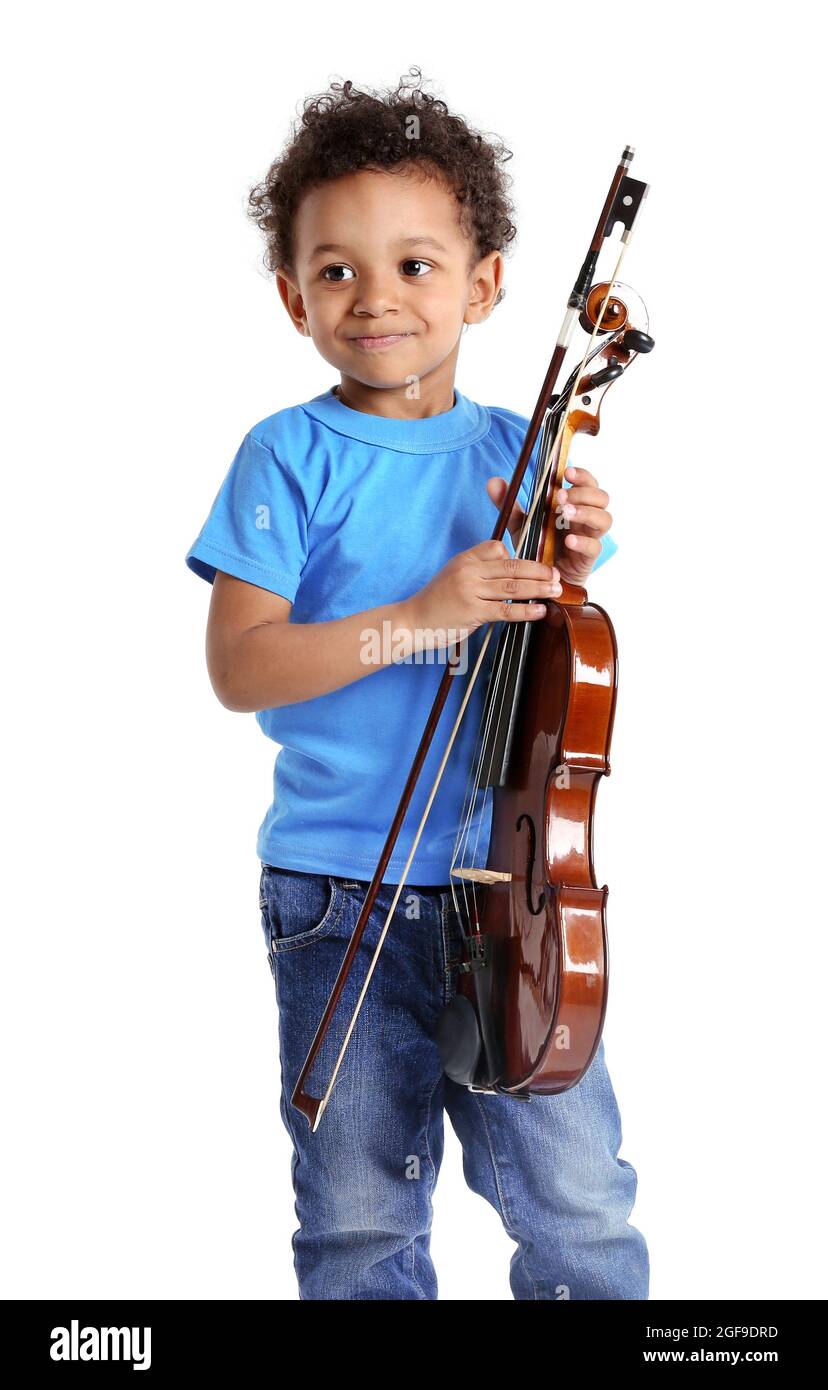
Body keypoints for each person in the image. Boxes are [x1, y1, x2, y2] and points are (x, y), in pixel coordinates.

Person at [185, 68, 648, 1301]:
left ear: (485, 283)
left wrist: (568, 561)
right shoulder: (287, 455)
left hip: (516, 899)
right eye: (336, 270)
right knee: (358, 1223)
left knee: (580, 1209)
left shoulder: (520, 452)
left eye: (415, 265)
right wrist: (417, 619)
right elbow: (242, 665)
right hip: (339, 894)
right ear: (292, 297)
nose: (375, 298)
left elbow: (556, 652)